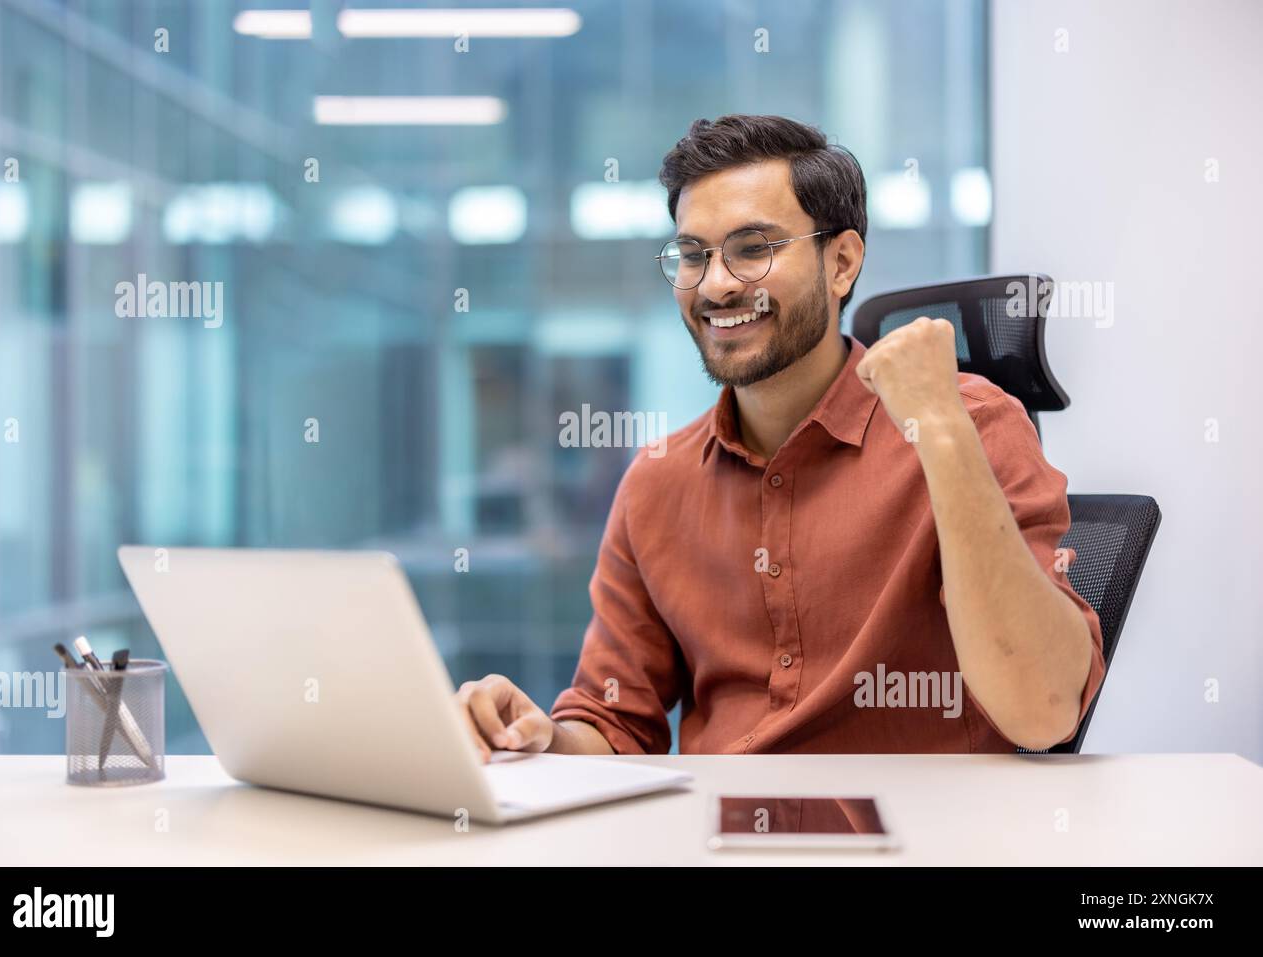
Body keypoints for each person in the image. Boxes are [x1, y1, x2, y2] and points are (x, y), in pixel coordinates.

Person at [456, 114, 1104, 759]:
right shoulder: (658, 483)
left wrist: (939, 432)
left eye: (753, 248)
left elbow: (1042, 711)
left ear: (842, 262)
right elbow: (619, 722)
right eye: (692, 254)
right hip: (714, 837)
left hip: (925, 837)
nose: (715, 284)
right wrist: (540, 740)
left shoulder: (966, 424)